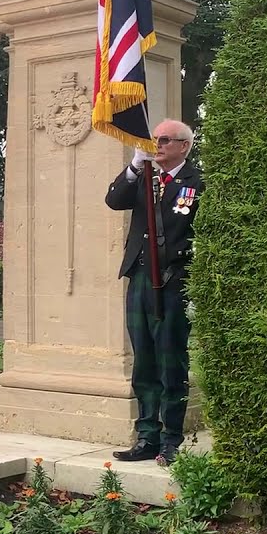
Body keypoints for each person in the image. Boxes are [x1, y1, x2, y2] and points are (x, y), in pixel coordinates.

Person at [104, 119, 203, 467]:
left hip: (173, 281)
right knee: (144, 360)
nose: (156, 144)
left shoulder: (197, 183)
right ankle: (146, 435)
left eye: (164, 140)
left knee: (170, 361)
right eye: (154, 139)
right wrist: (135, 163)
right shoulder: (145, 177)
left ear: (184, 145)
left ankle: (170, 437)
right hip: (141, 278)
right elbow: (114, 200)